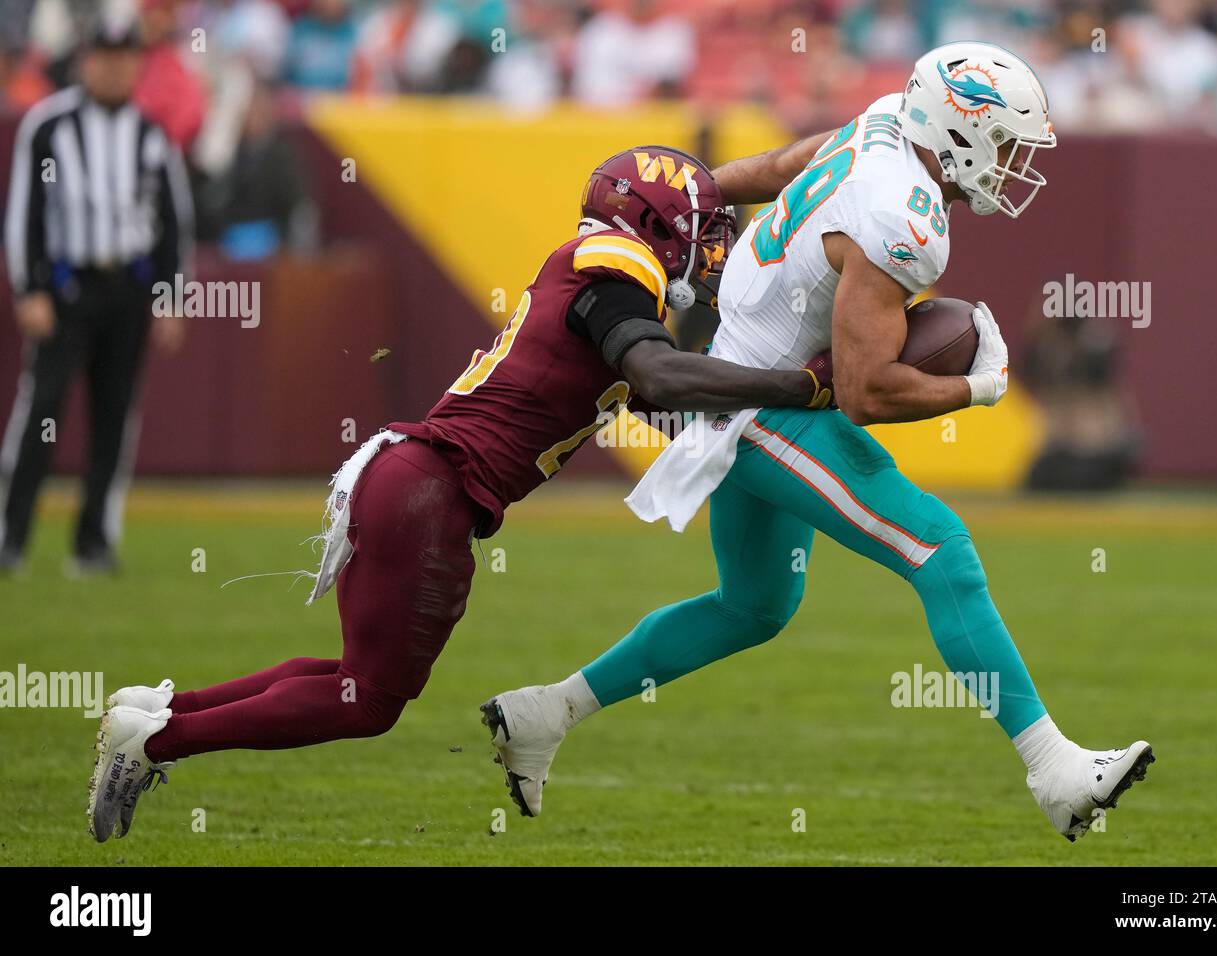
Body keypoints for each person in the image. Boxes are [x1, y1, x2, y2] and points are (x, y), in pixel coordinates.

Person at [482, 42, 1155, 843]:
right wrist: (979, 386)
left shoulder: (882, 124)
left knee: (754, 606)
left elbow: (777, 164)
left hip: (742, 372)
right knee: (940, 549)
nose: (1010, 165)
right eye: (1004, 144)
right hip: (765, 405)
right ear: (960, 132)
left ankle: (545, 713)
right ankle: (1056, 770)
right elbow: (866, 393)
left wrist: (685, 199)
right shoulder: (903, 218)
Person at [85, 145, 836, 843]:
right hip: (429, 492)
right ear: (649, 221)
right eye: (701, 229)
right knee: (368, 702)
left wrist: (781, 397)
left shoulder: (606, 290)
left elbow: (673, 405)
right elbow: (664, 377)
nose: (712, 249)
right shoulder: (615, 266)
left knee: (354, 678)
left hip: (413, 480)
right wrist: (803, 386)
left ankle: (163, 716)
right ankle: (160, 740)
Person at [0, 17, 191, 577]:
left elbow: (173, 222)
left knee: (115, 417)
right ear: (84, 61)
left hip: (128, 289)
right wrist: (29, 288)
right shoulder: (49, 125)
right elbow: (23, 214)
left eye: (125, 56)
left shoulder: (152, 134)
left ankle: (94, 542)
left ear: (137, 62)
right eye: (104, 56)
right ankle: (10, 536)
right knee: (41, 410)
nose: (114, 66)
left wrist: (171, 296)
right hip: (67, 287)